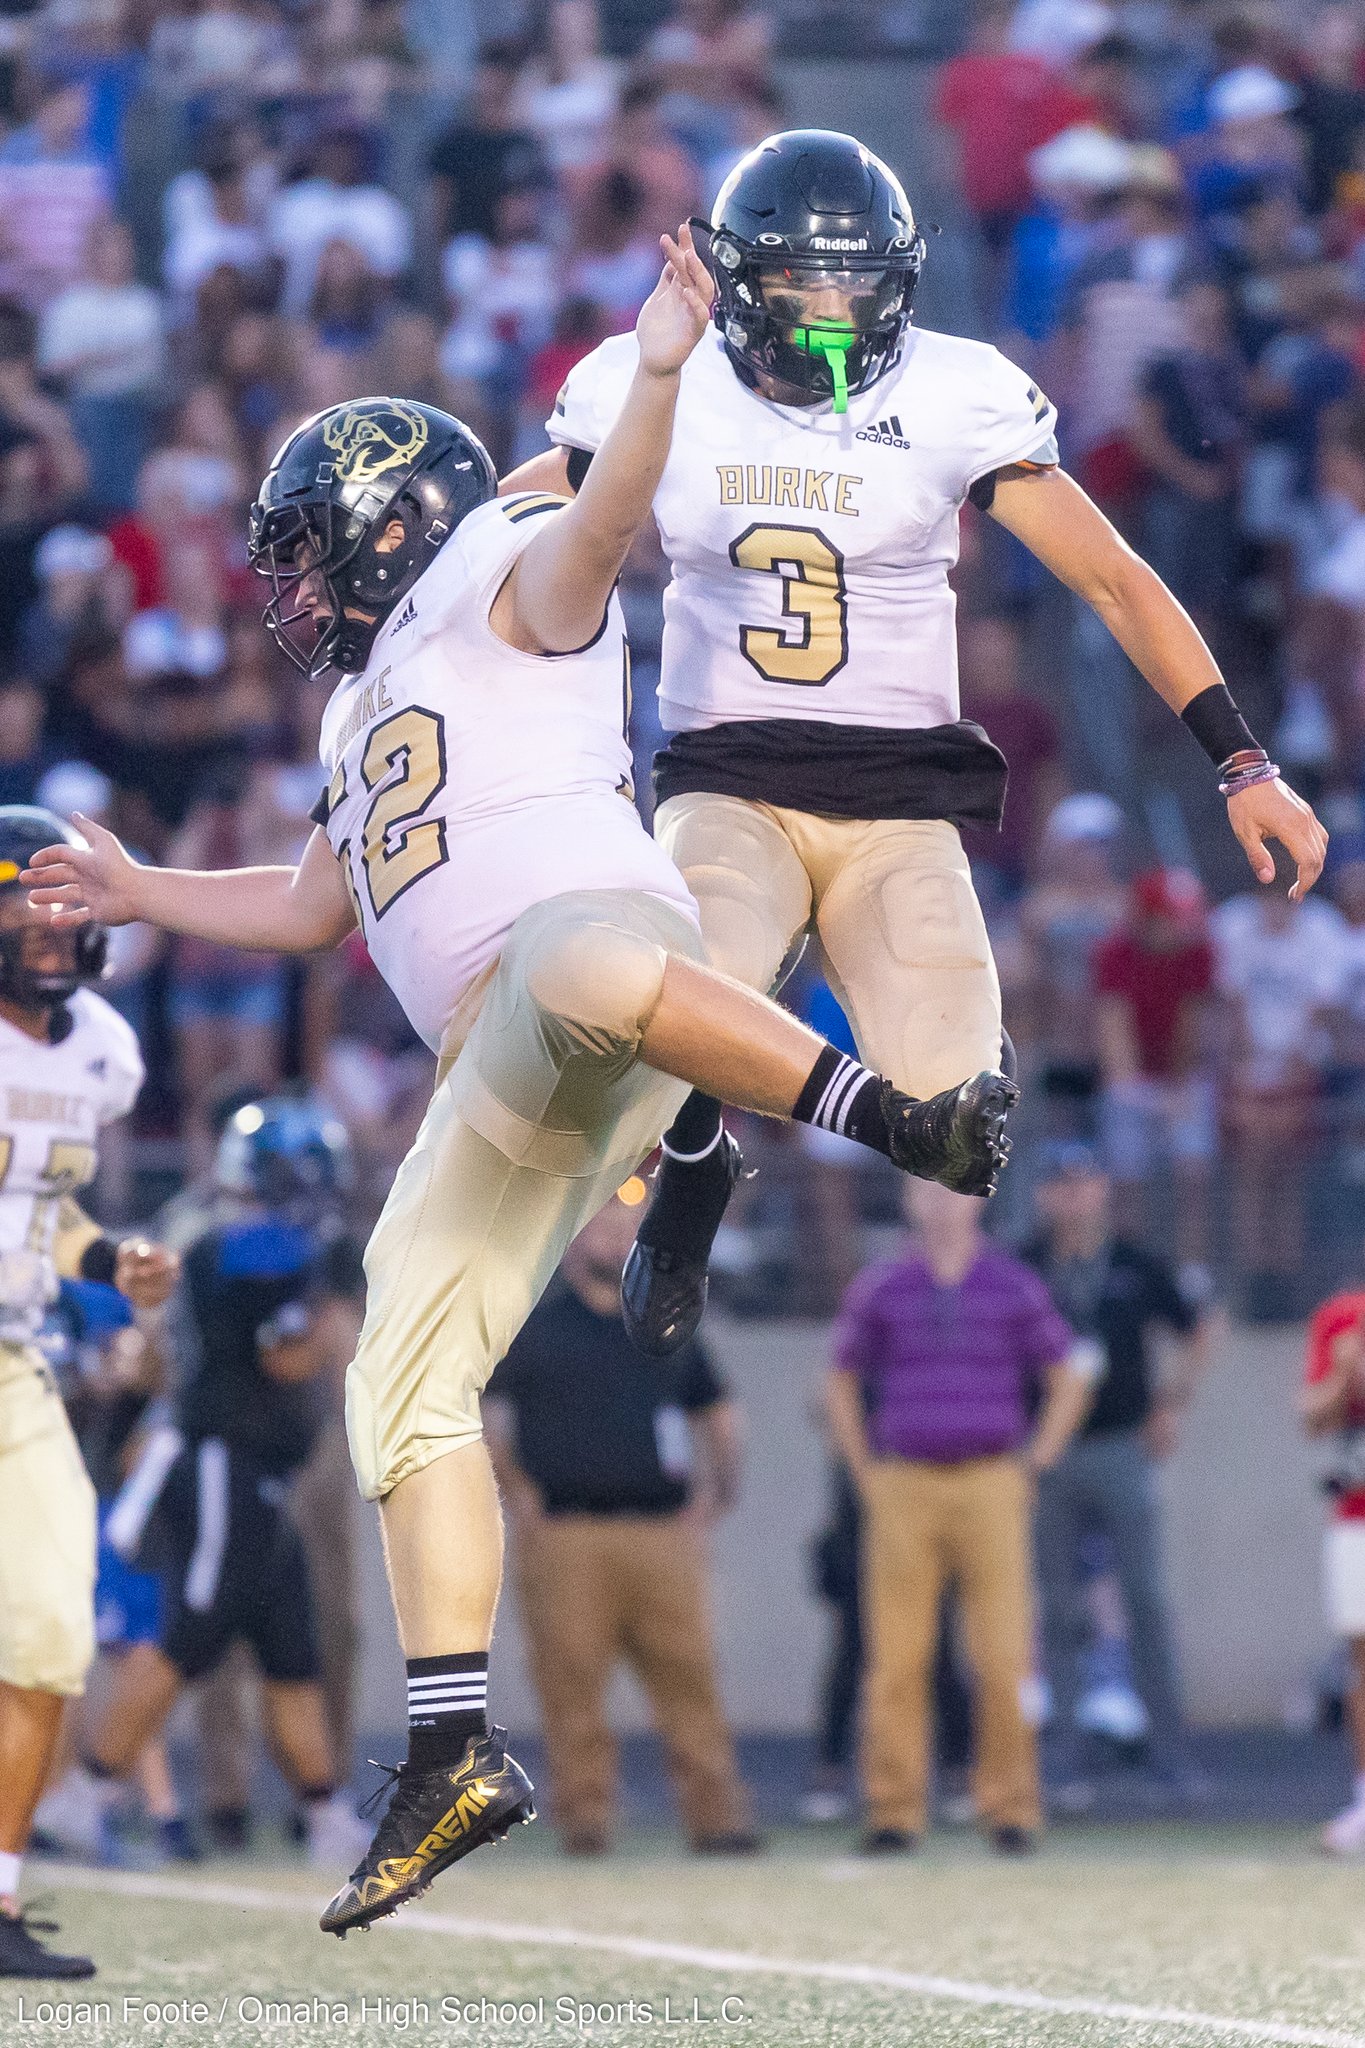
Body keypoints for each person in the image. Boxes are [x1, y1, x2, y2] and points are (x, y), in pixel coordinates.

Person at [25, 239, 1014, 1937]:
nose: (289, 588)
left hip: (604, 960)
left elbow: (602, 528)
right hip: (501, 1078)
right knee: (399, 1370)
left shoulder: (493, 565)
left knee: (567, 958)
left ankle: (879, 1112)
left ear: (387, 520)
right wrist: (137, 889)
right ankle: (448, 1749)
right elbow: (311, 908)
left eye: (307, 548)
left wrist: (657, 369)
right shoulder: (354, 713)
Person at [507, 127, 1327, 1360]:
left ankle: (768, 1116)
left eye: (857, 286)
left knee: (961, 1132)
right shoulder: (657, 373)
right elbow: (514, 528)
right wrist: (420, 605)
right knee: (657, 1016)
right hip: (729, 778)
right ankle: (693, 1167)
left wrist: (1242, 759)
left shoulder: (953, 391)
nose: (834, 316)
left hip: (897, 802)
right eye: (805, 286)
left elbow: (1111, 574)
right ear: (741, 283)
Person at [35, 1099, 368, 1875]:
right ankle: (85, 1793)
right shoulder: (248, 1249)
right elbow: (287, 1357)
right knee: (191, 1633)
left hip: (255, 1470)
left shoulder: (218, 1237)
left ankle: (326, 1815)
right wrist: (339, 1315)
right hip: (225, 1462)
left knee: (290, 1645)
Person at [0, 805, 177, 1980]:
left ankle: (0, 1893)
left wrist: (105, 1258)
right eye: (26, 903)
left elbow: (41, 1203)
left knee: (54, 1625)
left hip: (18, 1359)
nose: (50, 927)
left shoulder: (102, 1050)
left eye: (66, 906)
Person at [826, 1180, 1094, 1855]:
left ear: (978, 1199)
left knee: (1003, 1655)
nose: (941, 1201)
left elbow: (1066, 1376)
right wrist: (865, 1473)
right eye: (925, 1187)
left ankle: (1010, 1808)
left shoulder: (1013, 1286)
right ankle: (893, 1811)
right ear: (907, 1201)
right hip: (905, 1482)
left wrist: (1035, 1463)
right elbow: (840, 1378)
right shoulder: (882, 1288)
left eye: (952, 1188)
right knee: (896, 1657)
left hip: (990, 1479)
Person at [484, 1191, 756, 1856]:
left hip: (662, 1532)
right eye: (600, 1220)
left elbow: (716, 1409)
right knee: (570, 1682)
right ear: (573, 1234)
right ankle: (585, 1821)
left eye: (625, 1222)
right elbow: (489, 1417)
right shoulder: (535, 1324)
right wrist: (516, 1495)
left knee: (690, 1678)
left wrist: (718, 1492)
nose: (613, 1234)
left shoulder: (666, 1321)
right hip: (567, 1533)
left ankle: (717, 1819)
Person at [1024, 1142, 1208, 1805]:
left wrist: (1171, 1403)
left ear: (1102, 1189)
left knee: (1144, 1600)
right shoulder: (1025, 1263)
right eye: (1059, 1184)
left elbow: (1198, 1325)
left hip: (1120, 1444)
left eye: (1082, 1182)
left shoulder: (1134, 1263)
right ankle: (1066, 1756)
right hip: (1048, 1448)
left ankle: (1170, 1752)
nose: (1071, 1196)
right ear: (1042, 1195)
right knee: (1057, 1604)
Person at [1303, 1274, 1365, 1856]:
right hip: (1357, 1513)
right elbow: (1312, 1417)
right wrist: (1346, 1375)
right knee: (1361, 1661)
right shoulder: (1342, 1316)